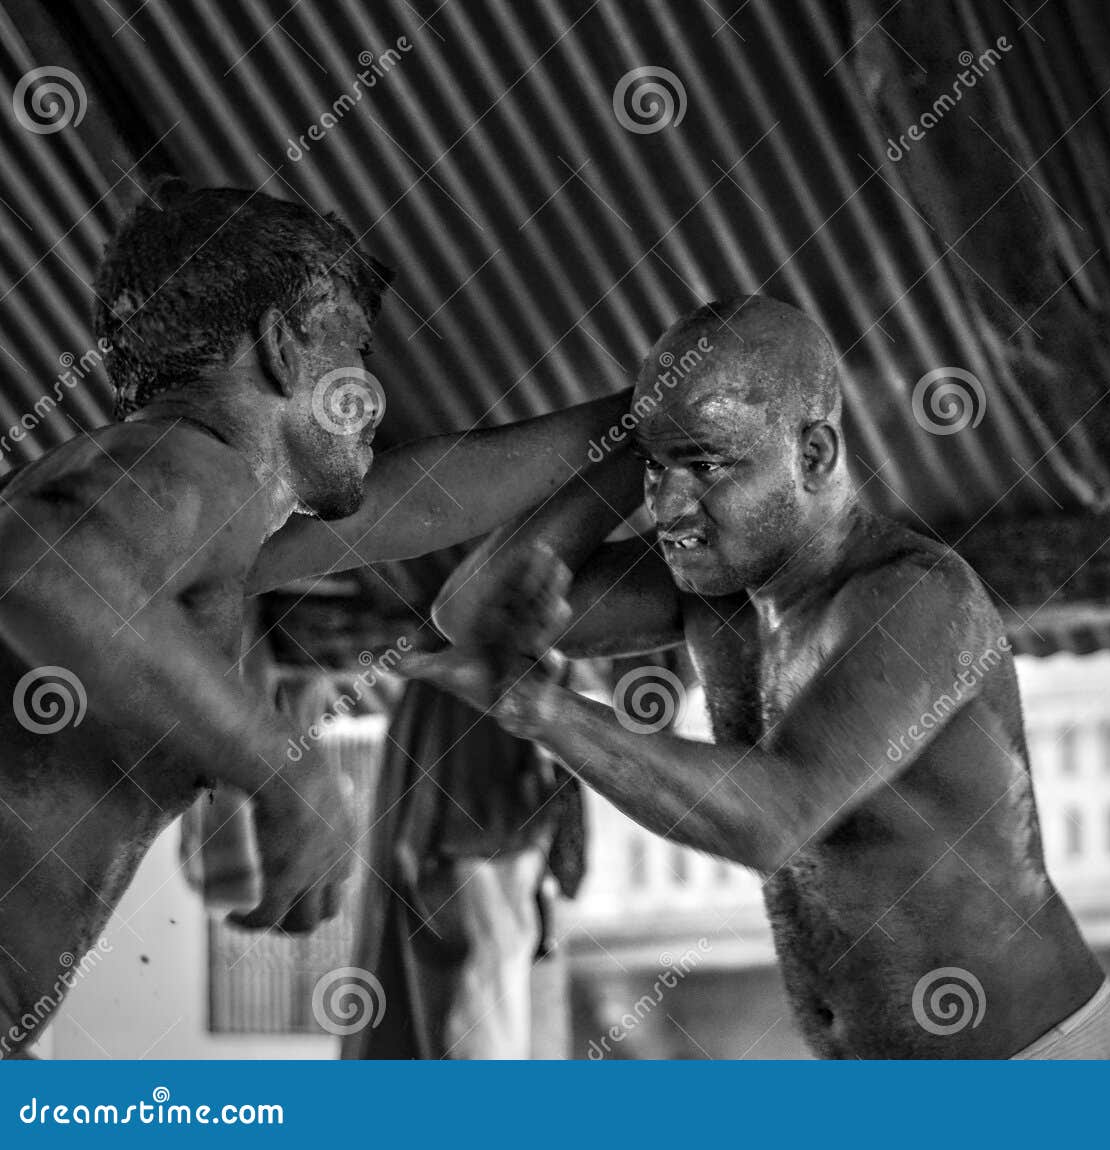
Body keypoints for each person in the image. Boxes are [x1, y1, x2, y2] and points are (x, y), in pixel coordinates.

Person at [408, 294, 1110, 1058]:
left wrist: (544, 710)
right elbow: (469, 612)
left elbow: (774, 818)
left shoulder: (913, 598)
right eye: (656, 473)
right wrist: (644, 433)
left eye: (707, 466)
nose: (667, 506)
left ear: (814, 456)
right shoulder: (715, 594)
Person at [0, 181, 637, 1056]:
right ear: (285, 349)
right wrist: (290, 774)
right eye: (358, 349)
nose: (371, 388)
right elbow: (39, 571)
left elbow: (414, 502)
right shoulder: (189, 471)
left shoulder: (189, 507)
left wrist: (639, 421)